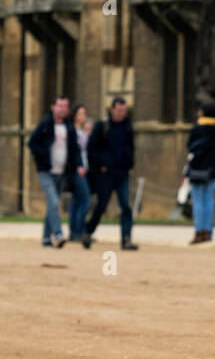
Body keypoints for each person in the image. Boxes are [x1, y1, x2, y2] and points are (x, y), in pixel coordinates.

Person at [82, 97, 138, 250]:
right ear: (112, 109)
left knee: (125, 206)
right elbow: (91, 149)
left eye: (124, 111)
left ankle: (126, 239)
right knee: (102, 205)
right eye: (119, 110)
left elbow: (131, 147)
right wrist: (100, 166)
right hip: (106, 173)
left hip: (122, 172)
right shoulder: (102, 126)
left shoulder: (127, 127)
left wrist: (129, 163)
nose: (122, 113)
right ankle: (88, 231)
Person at [28, 94, 79, 248]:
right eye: (60, 106)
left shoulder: (69, 127)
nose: (63, 109)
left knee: (52, 204)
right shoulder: (45, 124)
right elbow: (32, 144)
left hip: (61, 172)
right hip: (46, 171)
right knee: (54, 201)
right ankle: (58, 234)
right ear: (53, 107)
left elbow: (75, 149)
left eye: (65, 106)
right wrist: (43, 156)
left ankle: (45, 238)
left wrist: (78, 165)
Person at [186, 100, 215, 243]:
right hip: (212, 169)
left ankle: (199, 231)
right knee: (209, 200)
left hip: (198, 168)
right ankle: (208, 231)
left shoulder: (198, 127)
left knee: (198, 201)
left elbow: (190, 146)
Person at [69, 104, 91, 242]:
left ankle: (74, 232)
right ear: (75, 115)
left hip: (84, 168)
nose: (84, 116)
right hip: (78, 169)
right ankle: (78, 231)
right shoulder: (72, 131)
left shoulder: (82, 131)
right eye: (81, 113)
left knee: (77, 201)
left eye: (85, 113)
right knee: (85, 199)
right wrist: (78, 166)